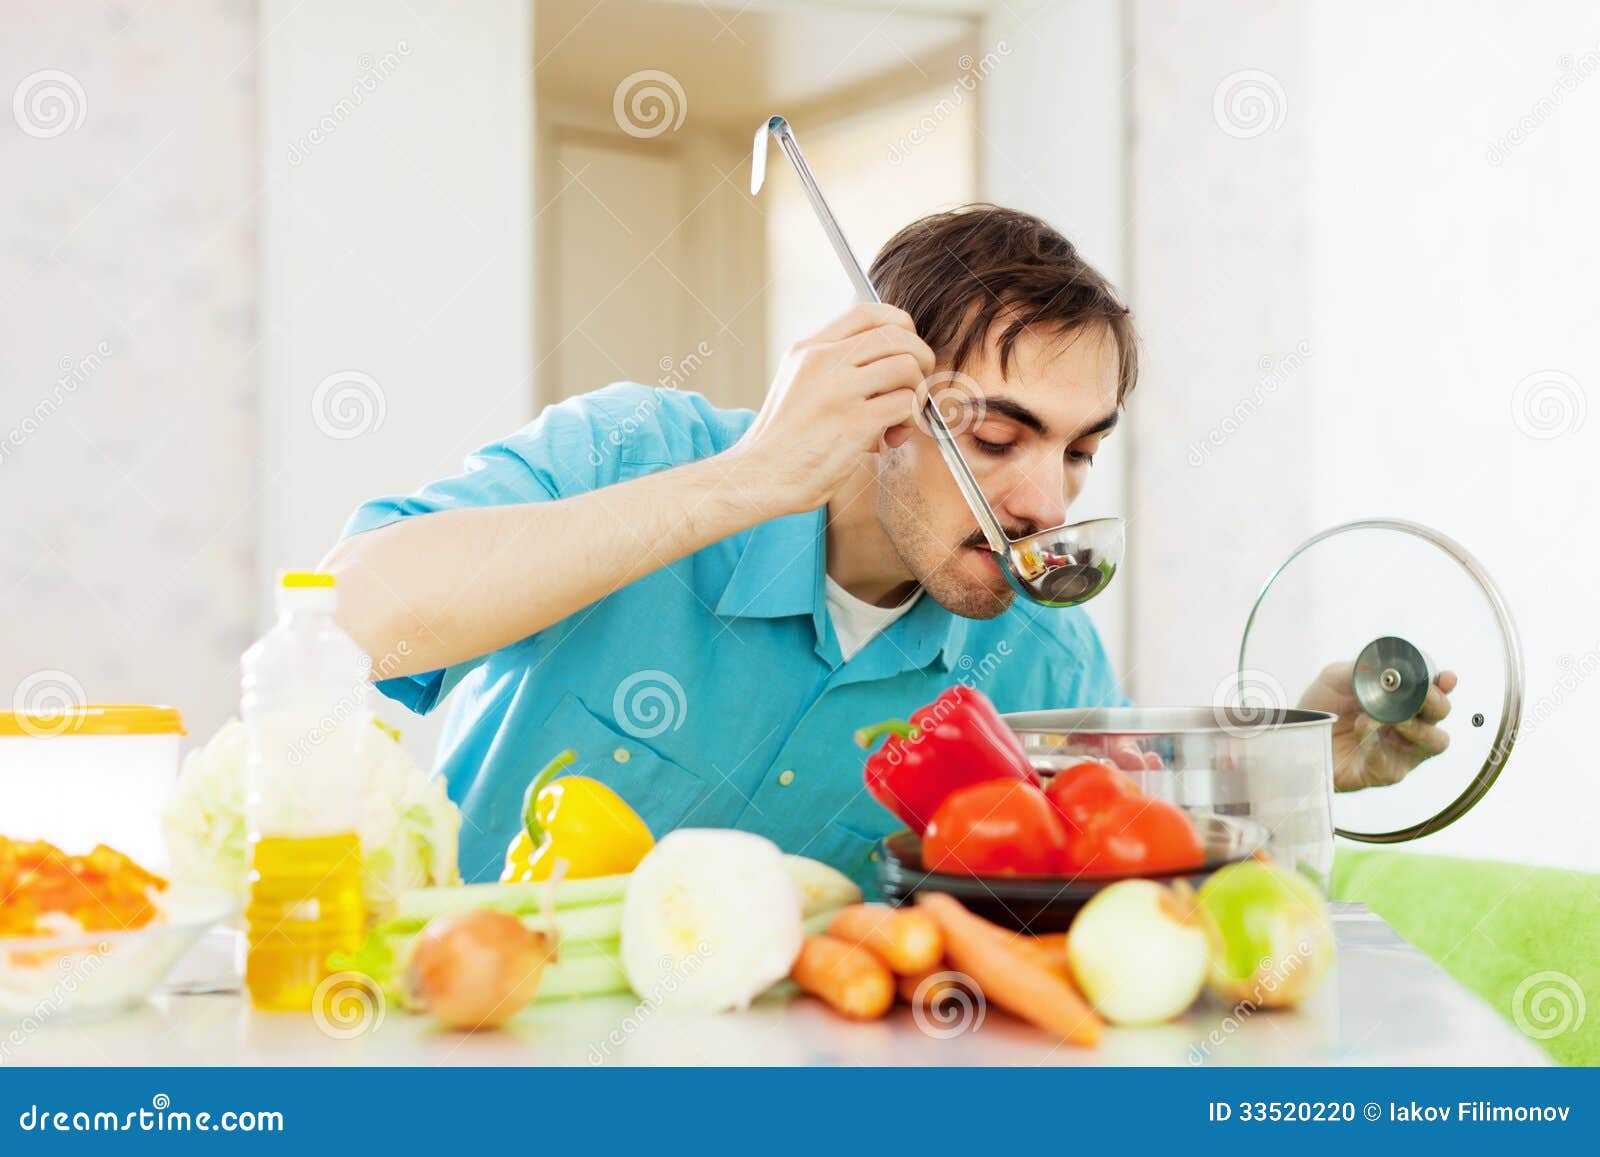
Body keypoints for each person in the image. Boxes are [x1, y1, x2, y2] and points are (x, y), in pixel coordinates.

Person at [322, 205, 1450, 887]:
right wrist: (750, 479)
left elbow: (1105, 877)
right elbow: (360, 614)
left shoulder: (1045, 662)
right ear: (878, 404)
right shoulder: (632, 449)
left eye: (1078, 454)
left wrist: (1287, 761)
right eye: (1000, 435)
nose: (1044, 502)